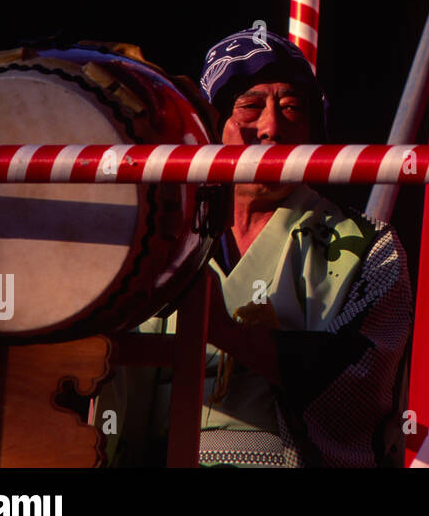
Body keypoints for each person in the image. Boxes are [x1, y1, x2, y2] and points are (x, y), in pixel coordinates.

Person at [103, 28, 412, 467]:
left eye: (291, 109)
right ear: (210, 127)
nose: (271, 127)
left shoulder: (368, 247)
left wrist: (223, 327)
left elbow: (361, 387)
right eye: (249, 106)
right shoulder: (157, 238)